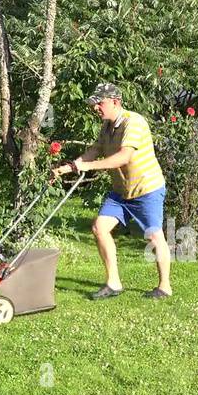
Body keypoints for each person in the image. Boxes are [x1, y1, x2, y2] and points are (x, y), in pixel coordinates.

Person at [52, 83, 172, 299]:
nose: (95, 107)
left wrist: (88, 167)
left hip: (146, 188)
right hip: (121, 191)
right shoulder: (107, 126)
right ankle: (114, 283)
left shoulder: (133, 122)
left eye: (100, 103)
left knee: (154, 236)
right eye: (94, 104)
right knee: (100, 228)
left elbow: (124, 157)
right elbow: (95, 150)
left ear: (115, 102)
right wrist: (70, 167)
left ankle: (164, 286)